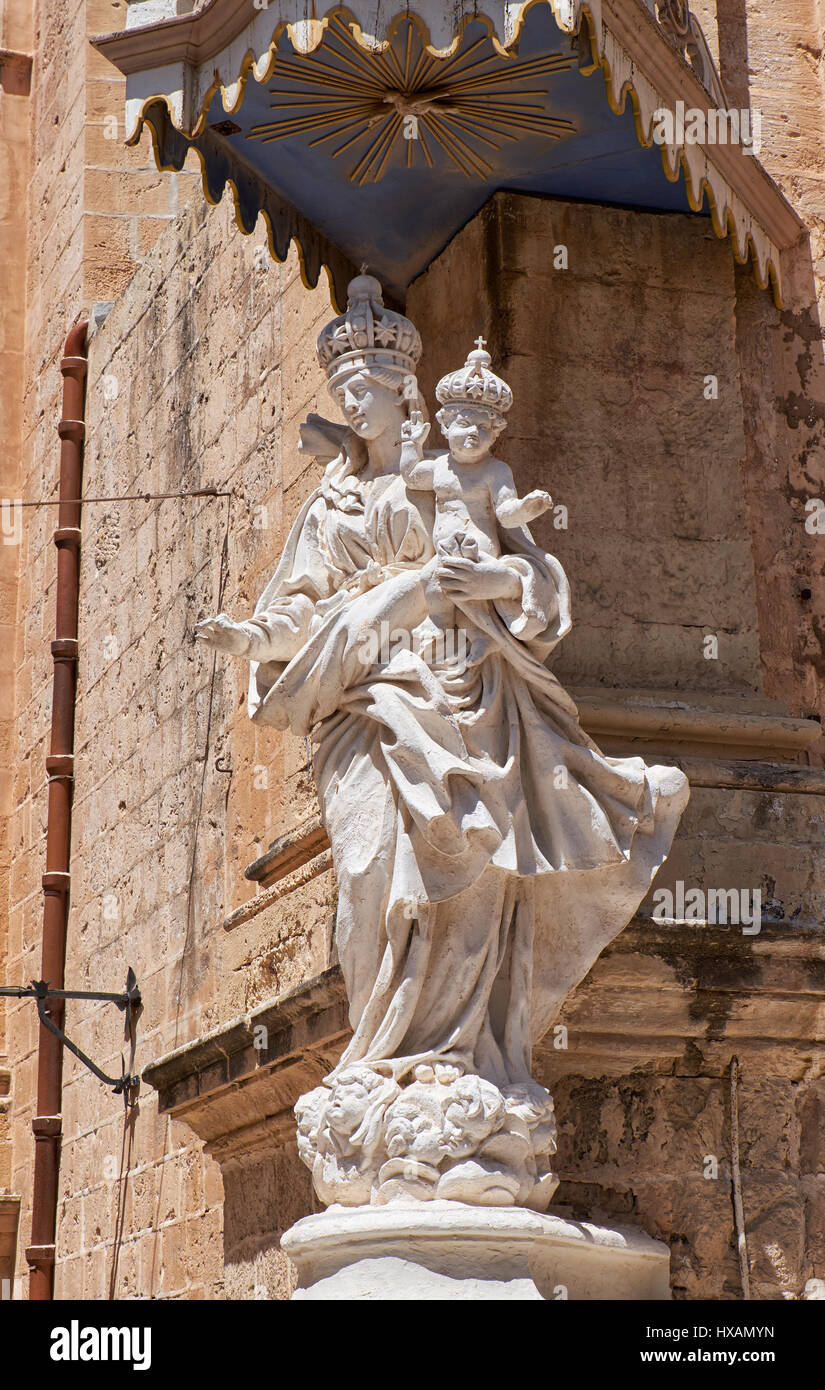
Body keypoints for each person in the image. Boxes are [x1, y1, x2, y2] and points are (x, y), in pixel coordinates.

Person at [195, 274, 689, 1206]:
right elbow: (294, 612)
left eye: (367, 389)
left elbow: (527, 573)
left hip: (457, 692)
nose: (352, 403)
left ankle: (460, 1056)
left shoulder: (450, 474)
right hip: (361, 708)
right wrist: (252, 638)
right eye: (343, 391)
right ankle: (380, 1052)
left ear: (401, 391)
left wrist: (492, 583)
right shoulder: (328, 508)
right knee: (369, 870)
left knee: (462, 866)